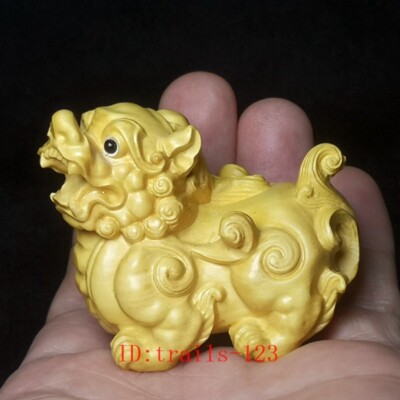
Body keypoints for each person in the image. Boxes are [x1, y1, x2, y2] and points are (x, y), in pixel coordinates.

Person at [1, 72, 399, 399]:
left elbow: (182, 319)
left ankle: (286, 321)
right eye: (89, 128)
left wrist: (159, 345)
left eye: (110, 146)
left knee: (264, 264)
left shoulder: (151, 267)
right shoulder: (127, 248)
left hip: (285, 246)